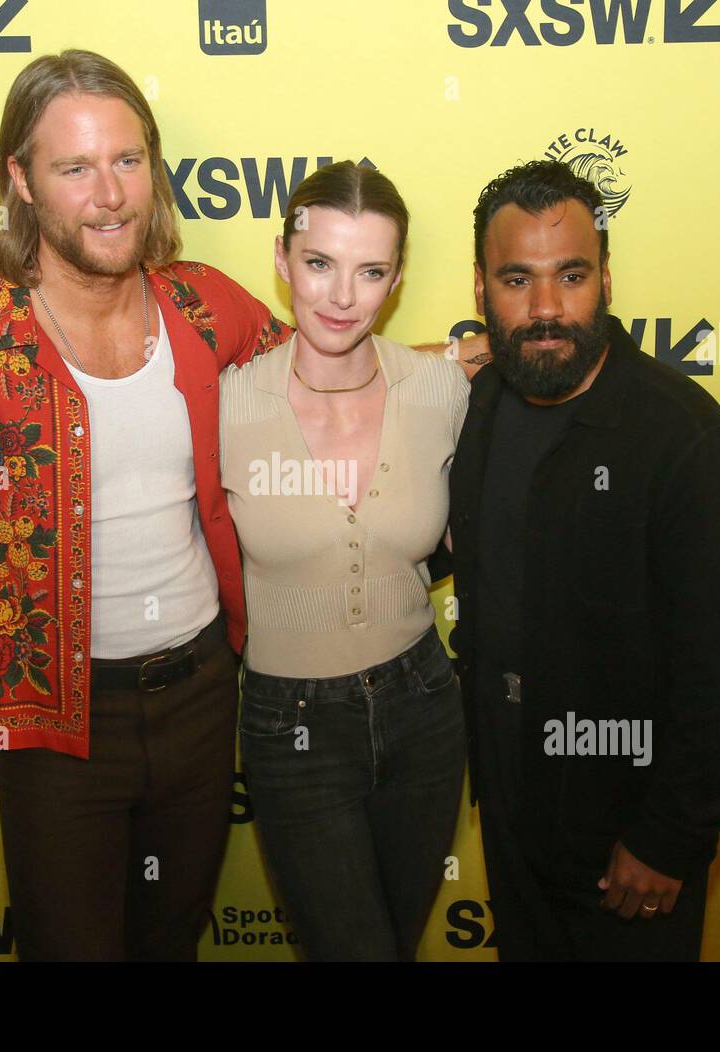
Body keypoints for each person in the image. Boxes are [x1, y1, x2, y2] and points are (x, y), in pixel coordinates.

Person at [0, 49, 293, 961]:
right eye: (74, 167)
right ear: (22, 181)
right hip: (51, 726)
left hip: (203, 693)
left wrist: (442, 364)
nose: (110, 195)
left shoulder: (208, 306)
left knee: (170, 942)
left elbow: (320, 379)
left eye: (128, 161)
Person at [447, 159, 720, 961]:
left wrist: (670, 836)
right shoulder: (480, 405)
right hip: (514, 810)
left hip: (628, 838)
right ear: (481, 289)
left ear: (606, 280)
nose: (546, 309)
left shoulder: (684, 441)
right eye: (517, 280)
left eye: (572, 276)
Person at [219, 162, 471, 961]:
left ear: (395, 281)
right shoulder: (224, 404)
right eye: (319, 263)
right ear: (282, 260)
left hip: (425, 705)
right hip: (291, 725)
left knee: (396, 941)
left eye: (369, 271)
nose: (340, 296)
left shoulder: (441, 390)